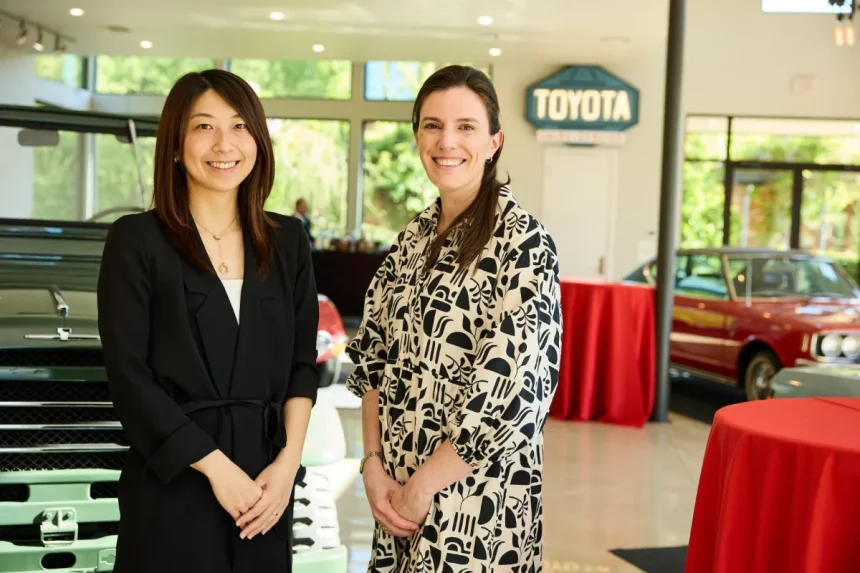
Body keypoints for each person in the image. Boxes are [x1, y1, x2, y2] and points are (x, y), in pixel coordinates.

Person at [97, 69, 319, 573]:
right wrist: (219, 471)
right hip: (175, 479)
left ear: (258, 140)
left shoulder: (288, 241)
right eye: (204, 126)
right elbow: (130, 379)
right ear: (176, 145)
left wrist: (286, 469)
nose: (224, 144)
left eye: (240, 126)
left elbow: (302, 367)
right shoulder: (136, 241)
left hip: (266, 487)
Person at [345, 65, 563, 572]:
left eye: (466, 126)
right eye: (432, 125)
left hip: (476, 508)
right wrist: (373, 466)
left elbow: (514, 394)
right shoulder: (413, 237)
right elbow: (372, 356)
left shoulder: (523, 243)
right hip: (395, 496)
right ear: (417, 137)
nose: (447, 141)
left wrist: (423, 487)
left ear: (494, 142)